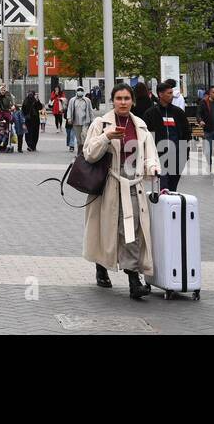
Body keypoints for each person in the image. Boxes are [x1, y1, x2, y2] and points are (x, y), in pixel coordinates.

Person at [82, 83, 160, 299]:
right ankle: (101, 266)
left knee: (132, 230)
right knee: (105, 228)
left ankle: (133, 280)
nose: (123, 102)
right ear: (112, 100)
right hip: (107, 183)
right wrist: (106, 137)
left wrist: (153, 167)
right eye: (119, 98)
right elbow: (89, 154)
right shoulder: (101, 123)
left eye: (127, 98)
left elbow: (150, 152)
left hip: (133, 184)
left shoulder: (140, 125)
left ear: (132, 101)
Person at [144, 79, 192, 191]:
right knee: (164, 187)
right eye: (169, 93)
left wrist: (184, 151)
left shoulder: (178, 112)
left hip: (178, 154)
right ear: (160, 94)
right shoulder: (151, 113)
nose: (172, 96)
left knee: (173, 186)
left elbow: (186, 131)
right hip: (160, 155)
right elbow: (146, 135)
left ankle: (170, 205)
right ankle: (163, 203)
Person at [65, 87, 93, 153]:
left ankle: (84, 150)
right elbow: (69, 109)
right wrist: (69, 118)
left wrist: (92, 120)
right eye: (78, 90)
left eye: (81, 90)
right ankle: (79, 151)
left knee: (84, 135)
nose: (80, 91)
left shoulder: (87, 100)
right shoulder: (72, 100)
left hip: (85, 121)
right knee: (78, 139)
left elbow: (90, 110)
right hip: (76, 122)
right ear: (76, 91)